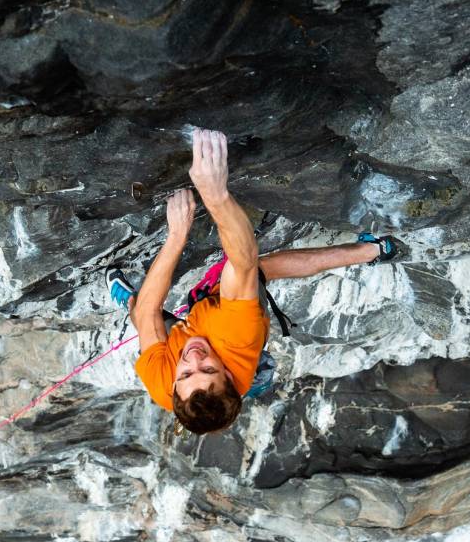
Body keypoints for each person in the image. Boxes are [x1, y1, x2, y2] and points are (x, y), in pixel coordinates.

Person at [109, 128, 401, 434]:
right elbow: (243, 261)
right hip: (227, 330)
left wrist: (176, 236)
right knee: (260, 270)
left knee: (138, 311)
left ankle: (125, 298)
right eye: (208, 369)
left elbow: (147, 314)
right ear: (229, 376)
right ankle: (370, 251)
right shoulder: (237, 337)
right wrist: (215, 195)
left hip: (199, 334)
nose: (193, 359)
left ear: (173, 389)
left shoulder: (161, 383)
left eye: (185, 374)